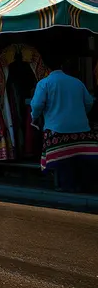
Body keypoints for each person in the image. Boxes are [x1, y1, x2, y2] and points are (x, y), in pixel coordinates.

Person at [31, 58, 98, 192]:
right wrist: (80, 113)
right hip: (82, 129)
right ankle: (84, 184)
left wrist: (34, 116)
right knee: (79, 158)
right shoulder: (77, 82)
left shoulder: (44, 83)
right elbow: (89, 102)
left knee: (63, 160)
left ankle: (66, 185)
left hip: (57, 130)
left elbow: (37, 105)